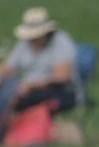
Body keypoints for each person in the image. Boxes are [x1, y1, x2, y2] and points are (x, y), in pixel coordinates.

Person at [0, 7, 84, 136]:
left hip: (58, 90)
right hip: (25, 88)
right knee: (6, 88)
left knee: (11, 96)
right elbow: (8, 67)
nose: (32, 39)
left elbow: (62, 77)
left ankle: (6, 132)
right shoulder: (24, 44)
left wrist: (31, 85)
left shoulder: (61, 43)